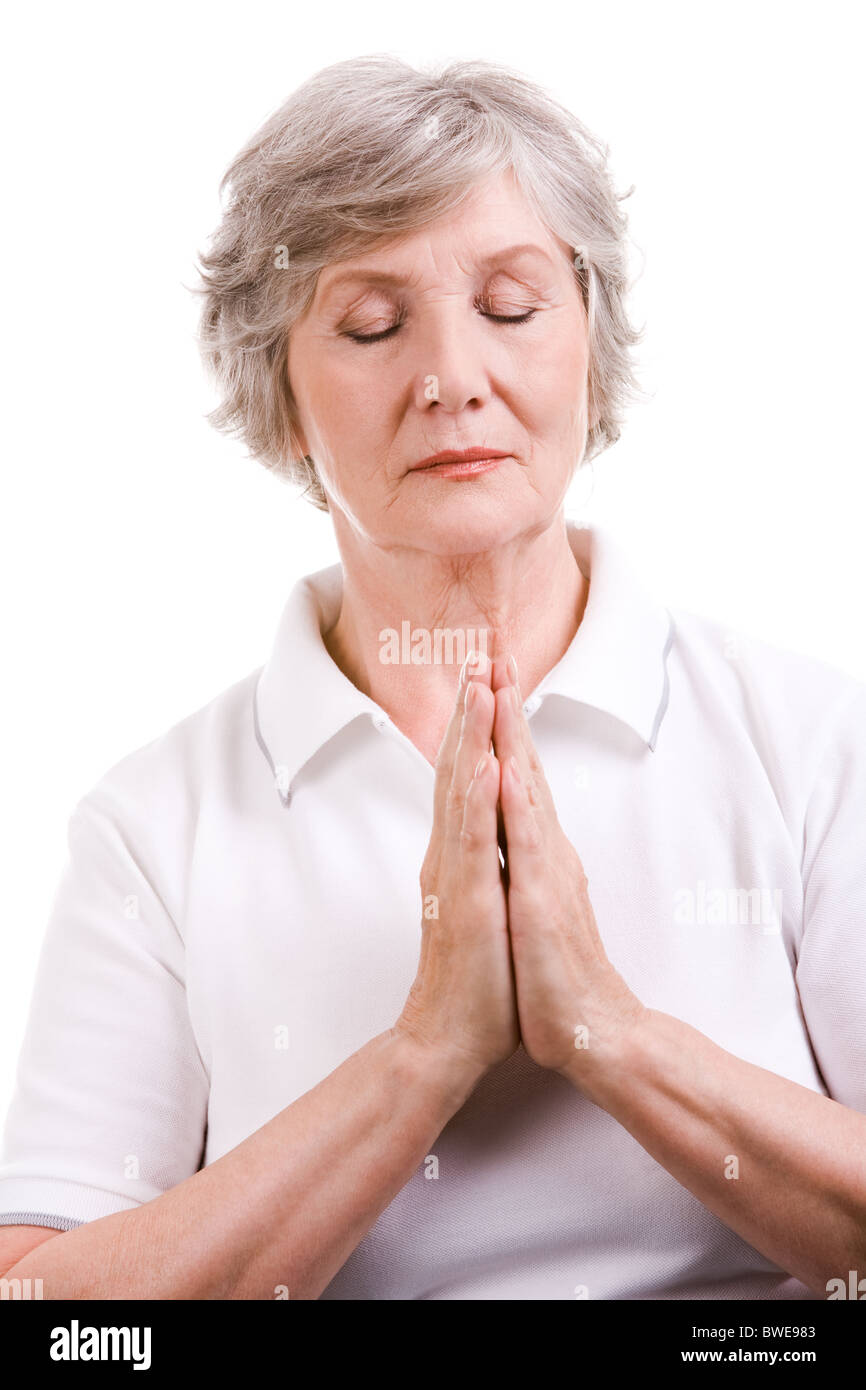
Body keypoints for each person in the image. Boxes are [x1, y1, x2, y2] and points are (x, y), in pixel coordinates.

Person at [1, 54, 865, 1301]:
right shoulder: (153, 828)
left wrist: (607, 1035)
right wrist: (423, 1054)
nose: (452, 376)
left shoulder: (813, 742)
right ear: (284, 396)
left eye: (510, 308)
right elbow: (49, 1321)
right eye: (369, 323)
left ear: (588, 352)